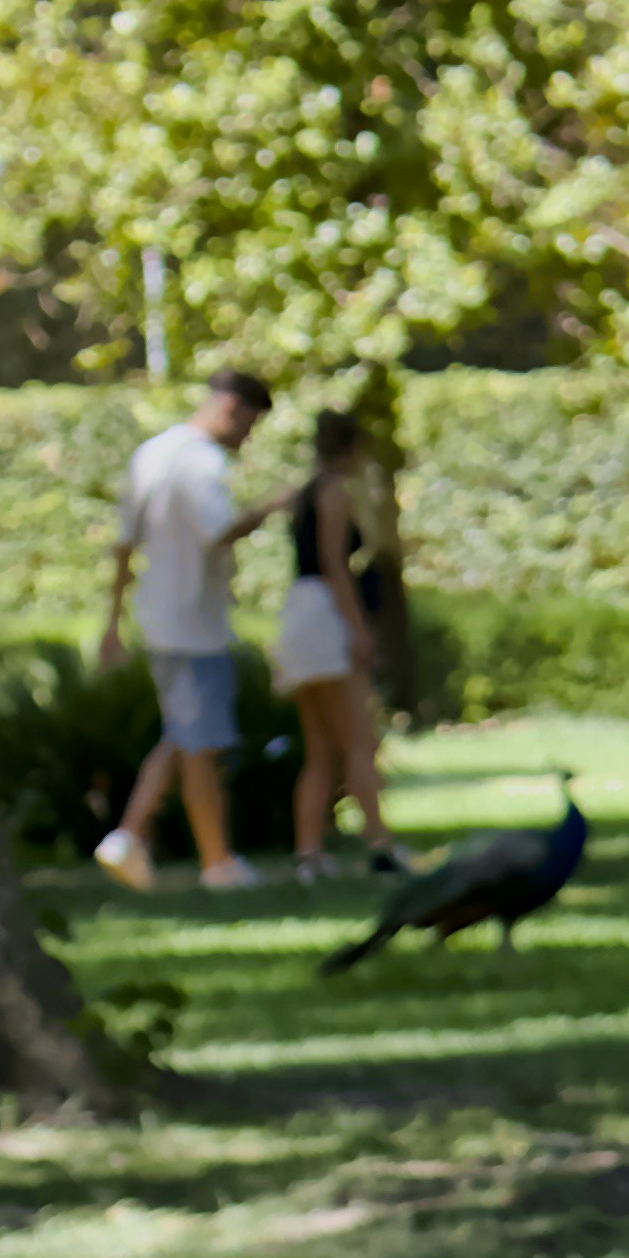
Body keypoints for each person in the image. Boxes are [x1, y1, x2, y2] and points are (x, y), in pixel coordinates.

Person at [95, 365, 274, 888]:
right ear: (229, 409)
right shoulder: (201, 463)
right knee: (201, 746)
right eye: (249, 425)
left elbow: (124, 544)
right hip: (195, 623)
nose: (246, 438)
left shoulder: (150, 453)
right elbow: (219, 531)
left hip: (158, 615)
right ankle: (217, 862)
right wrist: (275, 506)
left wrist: (113, 622)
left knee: (182, 733)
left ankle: (126, 838)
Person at [274, 405, 400, 877]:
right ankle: (381, 844)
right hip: (326, 619)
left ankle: (308, 854)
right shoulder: (334, 495)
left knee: (320, 749)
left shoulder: (300, 494)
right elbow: (335, 565)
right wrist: (359, 630)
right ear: (351, 448)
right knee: (358, 741)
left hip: (297, 616)